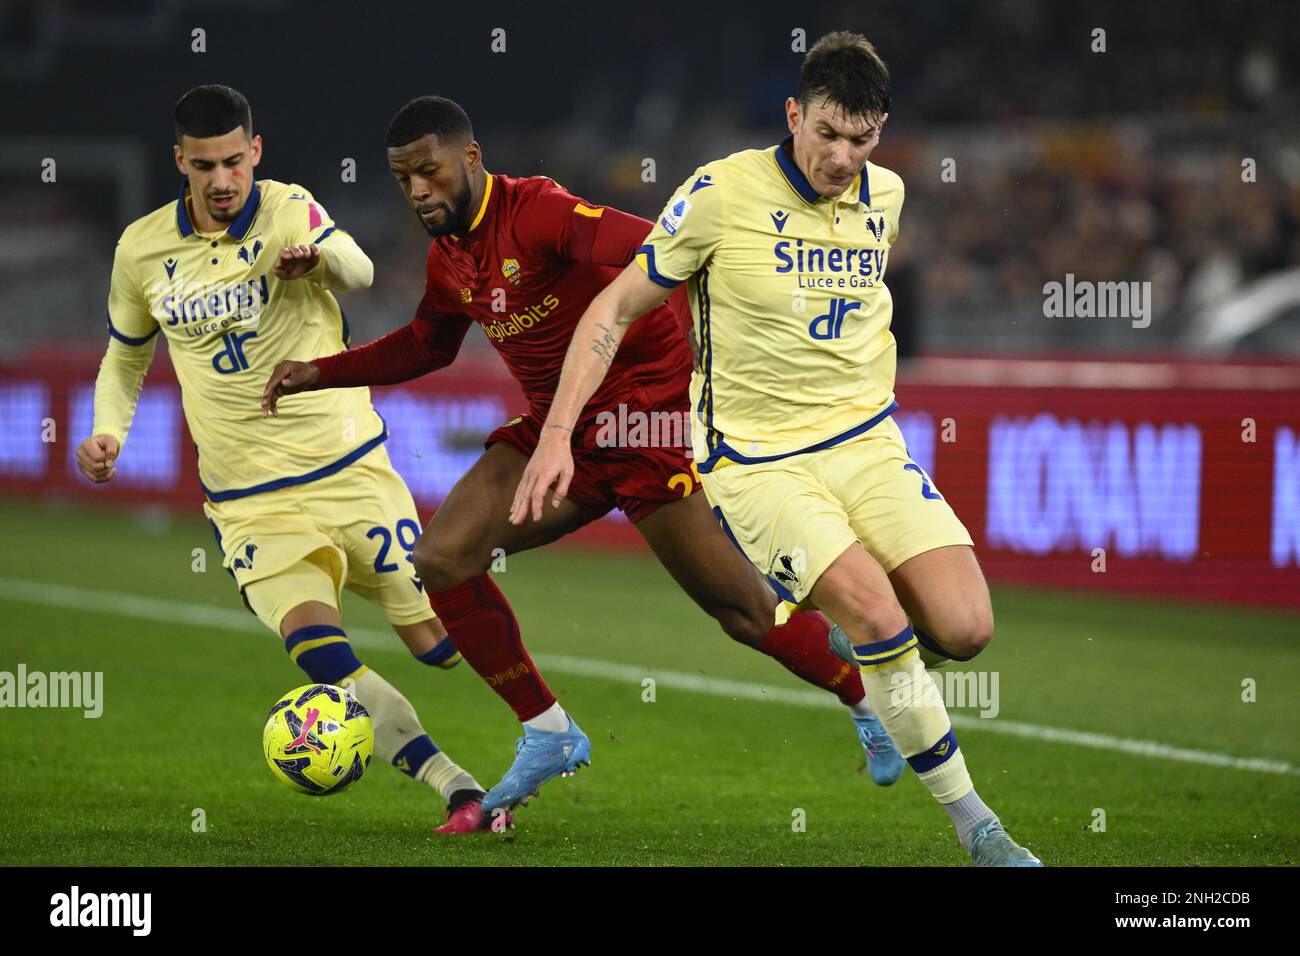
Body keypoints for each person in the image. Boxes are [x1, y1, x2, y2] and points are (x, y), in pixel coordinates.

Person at [262, 94, 907, 816]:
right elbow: (427, 344)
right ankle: (547, 730)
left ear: (469, 158)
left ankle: (864, 699)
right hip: (557, 434)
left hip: (645, 423)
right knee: (442, 559)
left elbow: (658, 247)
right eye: (404, 178)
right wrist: (323, 369)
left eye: (430, 172)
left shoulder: (537, 213)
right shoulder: (451, 259)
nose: (418, 191)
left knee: (744, 612)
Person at [513, 33, 1041, 865]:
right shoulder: (721, 194)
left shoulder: (889, 196)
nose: (841, 157)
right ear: (794, 115)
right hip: (758, 462)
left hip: (867, 443)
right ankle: (980, 828)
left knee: (968, 629)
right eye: (826, 133)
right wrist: (554, 438)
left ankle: (867, 650)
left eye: (860, 140)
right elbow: (612, 311)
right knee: (879, 613)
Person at [76, 84, 500, 834]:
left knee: (438, 646)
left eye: (234, 161)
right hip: (249, 502)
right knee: (318, 650)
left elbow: (359, 269)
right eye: (204, 165)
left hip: (347, 469)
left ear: (255, 153)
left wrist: (317, 261)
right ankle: (457, 786)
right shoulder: (141, 249)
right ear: (181, 161)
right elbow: (124, 357)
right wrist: (109, 429)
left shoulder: (289, 208)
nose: (221, 180)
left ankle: (545, 728)